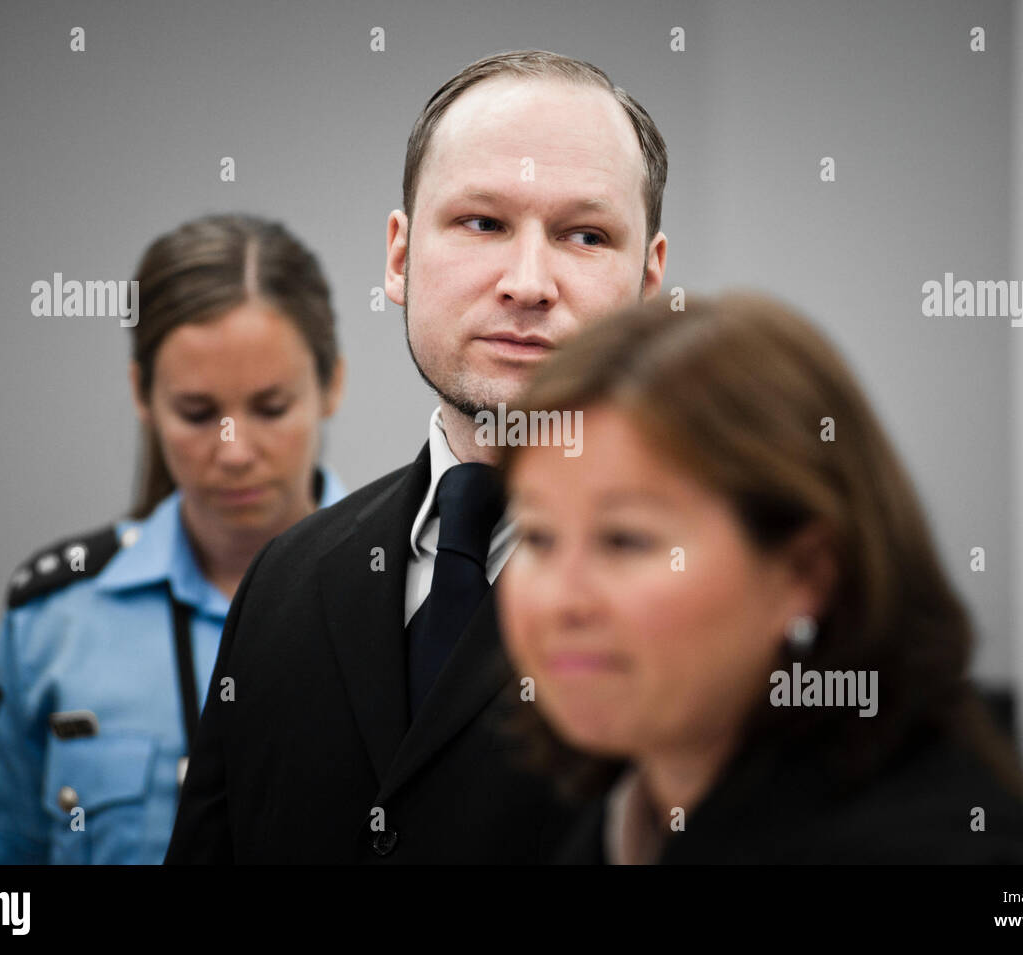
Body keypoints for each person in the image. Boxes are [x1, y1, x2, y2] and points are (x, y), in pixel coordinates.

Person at [166, 50, 669, 863]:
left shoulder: (720, 595)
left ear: (648, 283)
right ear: (399, 258)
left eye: (585, 235)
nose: (528, 283)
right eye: (483, 223)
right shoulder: (286, 578)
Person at [497, 292, 1023, 864]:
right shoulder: (609, 814)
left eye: (625, 540)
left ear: (806, 574)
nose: (560, 601)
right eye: (537, 537)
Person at [0, 214, 347, 864]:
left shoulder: (419, 592)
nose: (234, 451)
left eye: (271, 408)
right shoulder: (53, 617)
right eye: (197, 413)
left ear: (332, 384)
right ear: (142, 393)